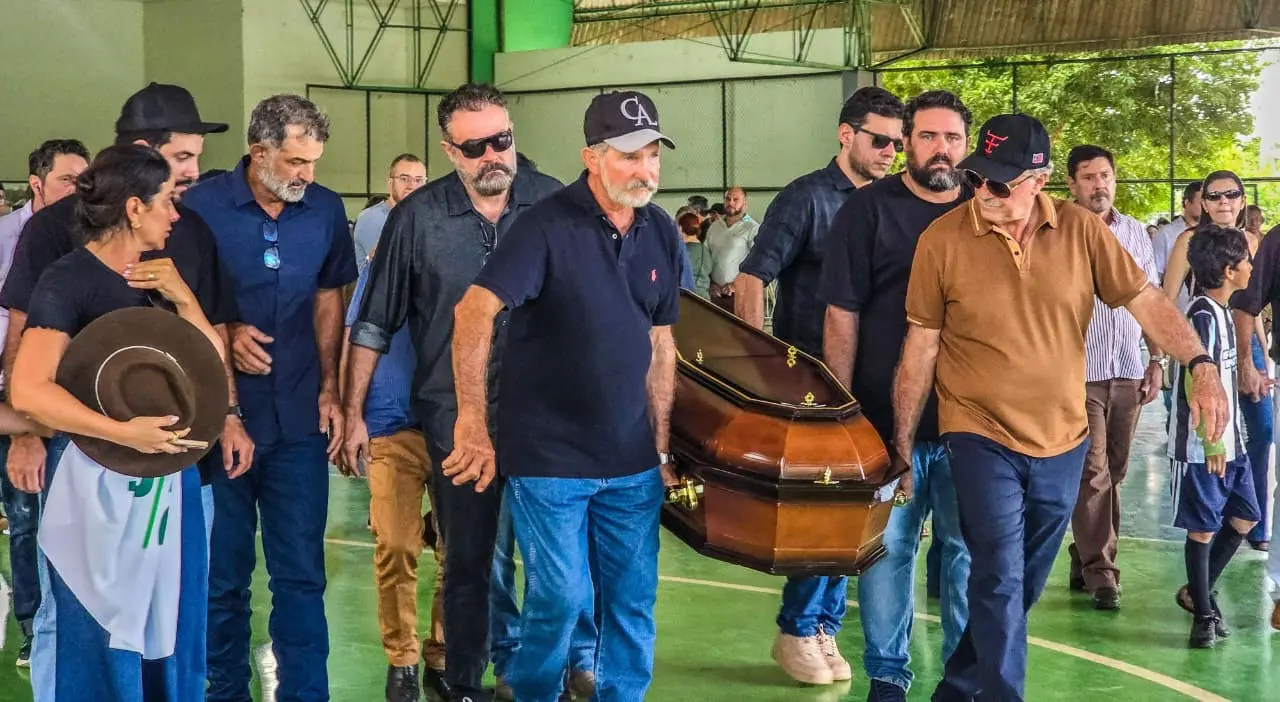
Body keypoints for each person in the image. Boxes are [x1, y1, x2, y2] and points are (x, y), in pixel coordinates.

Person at [895, 113, 1229, 701]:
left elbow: (1146, 301)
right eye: (977, 179)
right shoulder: (941, 241)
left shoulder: (1080, 231)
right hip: (978, 430)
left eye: (999, 183)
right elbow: (920, 347)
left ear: (1038, 178)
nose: (983, 193)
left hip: (1064, 438)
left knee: (1019, 583)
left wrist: (1200, 366)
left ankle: (956, 690)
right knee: (997, 574)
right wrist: (900, 442)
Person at [0, 82, 242, 701]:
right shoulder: (69, 279)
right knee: (96, 627)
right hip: (94, 479)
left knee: (173, 624)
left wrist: (185, 298)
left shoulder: (165, 276)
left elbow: (210, 367)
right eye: (166, 200)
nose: (177, 212)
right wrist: (120, 432)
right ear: (134, 207)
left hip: (170, 478)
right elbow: (28, 387)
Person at [446, 89, 680, 702]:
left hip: (631, 462)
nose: (645, 170)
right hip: (549, 460)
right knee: (560, 596)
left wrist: (660, 447)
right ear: (592, 157)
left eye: (653, 155)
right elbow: (474, 313)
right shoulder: (544, 225)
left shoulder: (661, 231)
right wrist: (472, 420)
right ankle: (533, 693)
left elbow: (662, 347)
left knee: (631, 601)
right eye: (629, 156)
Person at [346, 83, 564, 702]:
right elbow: (373, 322)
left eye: (503, 140)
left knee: (560, 567)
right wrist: (354, 413)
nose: (493, 155)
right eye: (476, 147)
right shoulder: (415, 219)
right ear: (450, 150)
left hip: (548, 418)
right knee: (469, 561)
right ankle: (465, 684)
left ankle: (544, 677)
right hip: (455, 420)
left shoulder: (554, 205)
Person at [184, 94, 357, 702]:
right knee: (222, 579)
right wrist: (224, 333)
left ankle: (307, 693)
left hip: (300, 424)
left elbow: (328, 298)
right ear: (258, 153)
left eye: (313, 162)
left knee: (301, 577)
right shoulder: (198, 210)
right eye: (294, 161)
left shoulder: (326, 211)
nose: (306, 175)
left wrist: (332, 389)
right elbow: (178, 305)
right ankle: (223, 691)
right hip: (219, 428)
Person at [733, 85, 904, 685]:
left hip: (872, 387)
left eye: (897, 143)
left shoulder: (890, 202)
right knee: (823, 514)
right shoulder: (806, 198)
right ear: (846, 134)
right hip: (813, 389)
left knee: (857, 518)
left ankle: (825, 625)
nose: (890, 152)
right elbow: (753, 279)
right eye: (879, 140)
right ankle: (799, 628)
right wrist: (753, 373)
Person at [819, 89, 973, 701]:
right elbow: (840, 316)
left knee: (966, 555)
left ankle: (967, 678)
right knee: (889, 551)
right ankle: (887, 677)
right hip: (885, 422)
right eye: (928, 136)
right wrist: (841, 410)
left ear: (967, 145)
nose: (941, 148)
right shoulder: (866, 211)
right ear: (906, 141)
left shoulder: (984, 210)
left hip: (971, 423)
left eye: (953, 137)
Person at [1062, 144, 1164, 610]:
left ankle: (1083, 555)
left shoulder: (1137, 234)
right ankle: (1103, 573)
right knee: (1094, 471)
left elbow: (1151, 298)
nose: (1099, 184)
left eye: (1105, 175)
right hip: (1077, 372)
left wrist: (1156, 358)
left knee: (1115, 471)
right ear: (1072, 184)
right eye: (1088, 177)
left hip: (1127, 368)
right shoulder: (1059, 231)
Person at [0, 137, 88, 668]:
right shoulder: (9, 237)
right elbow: (17, 329)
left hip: (40, 402)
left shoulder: (83, 239)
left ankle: (35, 627)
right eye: (68, 180)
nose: (80, 191)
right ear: (37, 183)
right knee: (25, 513)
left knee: (32, 517)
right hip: (15, 398)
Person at [1166, 172, 1273, 557]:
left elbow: (1254, 303)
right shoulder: (1189, 242)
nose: (1224, 201)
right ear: (1204, 202)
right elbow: (1166, 300)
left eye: (1232, 194)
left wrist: (1259, 352)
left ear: (1243, 200)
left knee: (1259, 433)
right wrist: (1169, 356)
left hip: (1244, 343)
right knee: (1211, 437)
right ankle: (1207, 526)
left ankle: (1251, 519)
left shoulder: (1252, 242)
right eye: (1215, 195)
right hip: (1205, 347)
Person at [1169, 223, 1260, 648]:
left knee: (1245, 516)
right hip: (1206, 445)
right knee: (1203, 528)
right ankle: (1203, 615)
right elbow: (1195, 381)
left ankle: (1196, 592)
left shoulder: (1223, 311)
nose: (1251, 267)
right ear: (1228, 270)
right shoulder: (1202, 314)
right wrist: (1211, 441)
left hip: (1232, 438)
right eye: (1245, 261)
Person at [353, 154, 427, 272]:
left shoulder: (426, 218)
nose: (411, 186)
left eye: (418, 180)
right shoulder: (373, 218)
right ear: (389, 182)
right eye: (404, 179)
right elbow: (393, 269)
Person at [704, 187, 757, 312]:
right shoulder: (715, 227)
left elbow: (755, 262)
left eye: (736, 199)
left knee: (738, 331)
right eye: (728, 199)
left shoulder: (752, 228)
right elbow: (706, 256)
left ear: (745, 204)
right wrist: (711, 284)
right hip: (715, 294)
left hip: (740, 295)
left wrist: (735, 285)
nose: (731, 203)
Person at [679, 211, 712, 299]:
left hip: (687, 300)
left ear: (680, 228)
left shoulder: (682, 251)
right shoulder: (705, 250)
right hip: (705, 300)